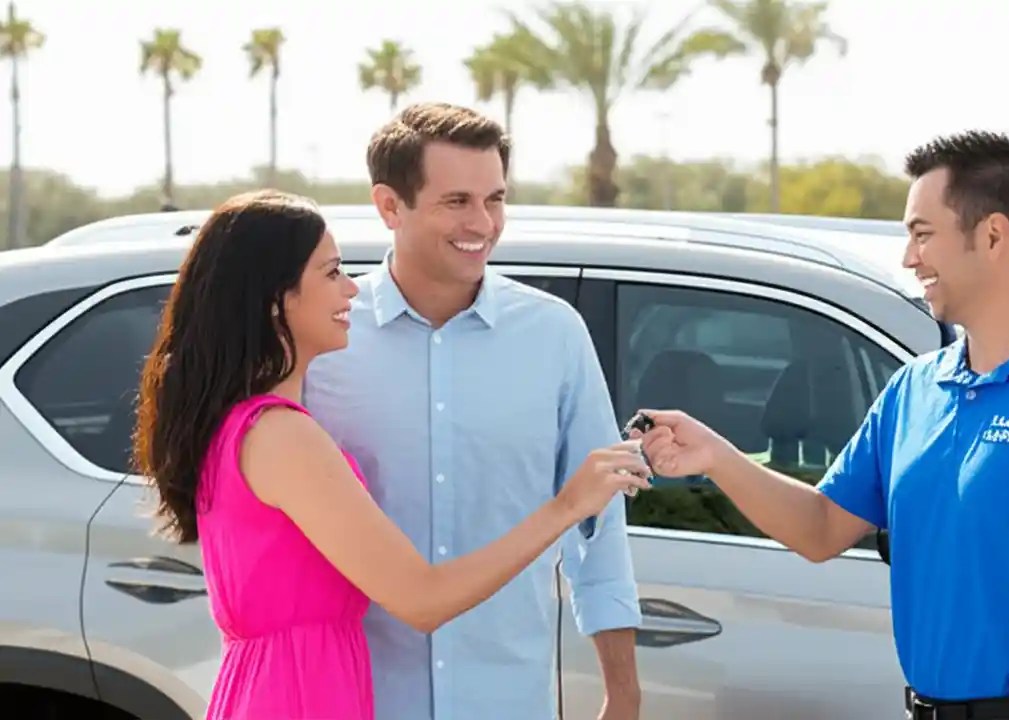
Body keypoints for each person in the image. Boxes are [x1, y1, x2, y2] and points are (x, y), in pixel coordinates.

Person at [632, 131, 1009, 719]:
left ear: (993, 235)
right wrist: (716, 456)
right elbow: (821, 528)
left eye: (922, 235)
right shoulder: (915, 389)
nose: (909, 258)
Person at [131, 189, 651, 720]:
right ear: (275, 298)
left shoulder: (250, 426)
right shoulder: (283, 437)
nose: (351, 289)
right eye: (331, 273)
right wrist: (567, 507)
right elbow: (422, 600)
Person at [302, 102, 644, 720]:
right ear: (389, 206)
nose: (483, 223)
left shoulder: (554, 336)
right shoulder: (325, 343)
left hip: (509, 700)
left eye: (495, 199)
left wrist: (621, 691)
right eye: (457, 201)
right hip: (362, 699)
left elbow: (600, 524)